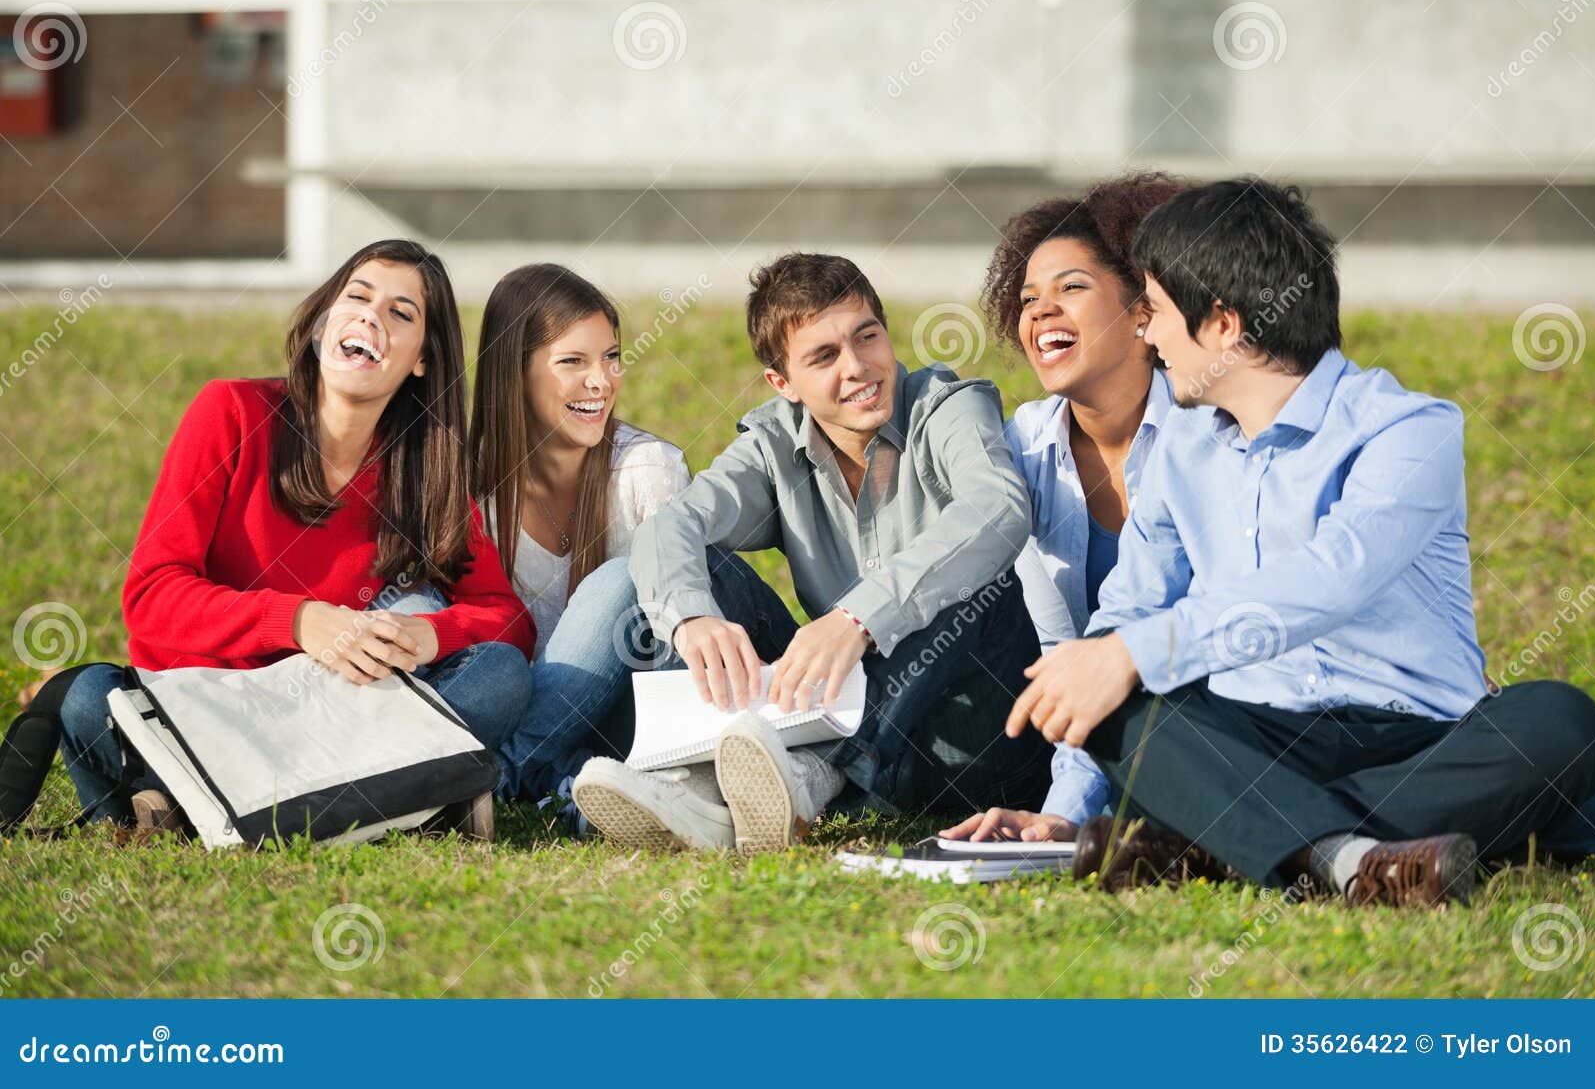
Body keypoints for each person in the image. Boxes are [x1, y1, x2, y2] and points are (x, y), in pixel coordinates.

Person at [1004, 178, 1595, 906]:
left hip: (1419, 737)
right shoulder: (1180, 448)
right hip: (1259, 738)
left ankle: (1222, 842)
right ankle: (1349, 858)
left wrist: (1133, 651)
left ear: (1222, 325)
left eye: (1155, 313)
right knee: (1121, 706)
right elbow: (1130, 610)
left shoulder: (1408, 429)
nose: (1146, 334)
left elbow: (1331, 577)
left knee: (1558, 720)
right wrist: (1068, 804)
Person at [572, 252, 1054, 853]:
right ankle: (699, 788)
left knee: (974, 583)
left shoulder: (945, 405)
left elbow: (998, 510)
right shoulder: (773, 443)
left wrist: (860, 619)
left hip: (979, 747)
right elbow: (670, 527)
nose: (857, 367)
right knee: (701, 578)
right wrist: (693, 618)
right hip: (863, 740)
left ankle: (809, 774)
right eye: (823, 357)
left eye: (867, 337)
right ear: (784, 384)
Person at [53, 239, 535, 833]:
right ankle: (397, 804)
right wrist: (302, 622)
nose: (370, 316)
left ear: (422, 361)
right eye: (356, 297)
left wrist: (426, 635)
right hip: (207, 705)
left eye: (400, 313)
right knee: (85, 696)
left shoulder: (424, 470)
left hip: (326, 717)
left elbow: (506, 618)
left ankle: (203, 809)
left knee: (499, 674)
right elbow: (151, 596)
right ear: (323, 322)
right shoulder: (231, 411)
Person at [935, 173, 1187, 847]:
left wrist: (1067, 809)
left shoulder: (1204, 438)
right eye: (1026, 298)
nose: (1040, 311)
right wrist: (1063, 802)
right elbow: (1063, 650)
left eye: (1071, 287)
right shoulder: (1021, 446)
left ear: (1144, 309)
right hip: (1061, 721)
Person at [468, 264, 689, 803]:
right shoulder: (470, 491)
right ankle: (568, 784)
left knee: (620, 581)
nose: (602, 381)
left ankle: (503, 780)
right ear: (513, 372)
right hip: (518, 705)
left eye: (611, 358)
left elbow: (679, 634)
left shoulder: (647, 470)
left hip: (631, 717)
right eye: (573, 361)